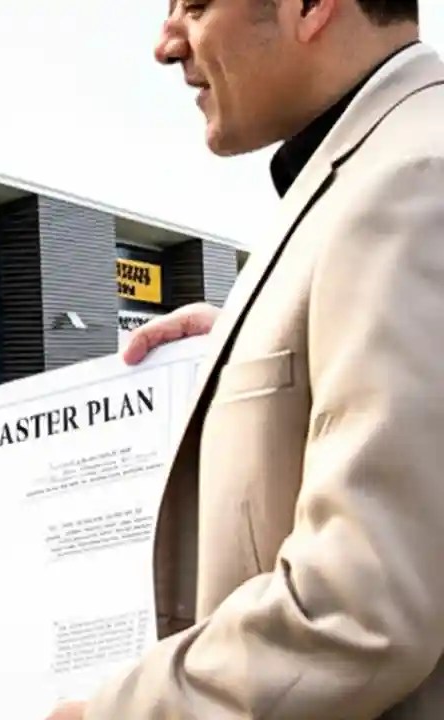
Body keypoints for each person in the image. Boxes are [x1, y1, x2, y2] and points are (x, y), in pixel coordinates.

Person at [49, 0, 444, 718]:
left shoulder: (413, 180)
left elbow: (358, 610)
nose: (167, 45)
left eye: (195, 5)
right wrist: (248, 337)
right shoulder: (381, 169)